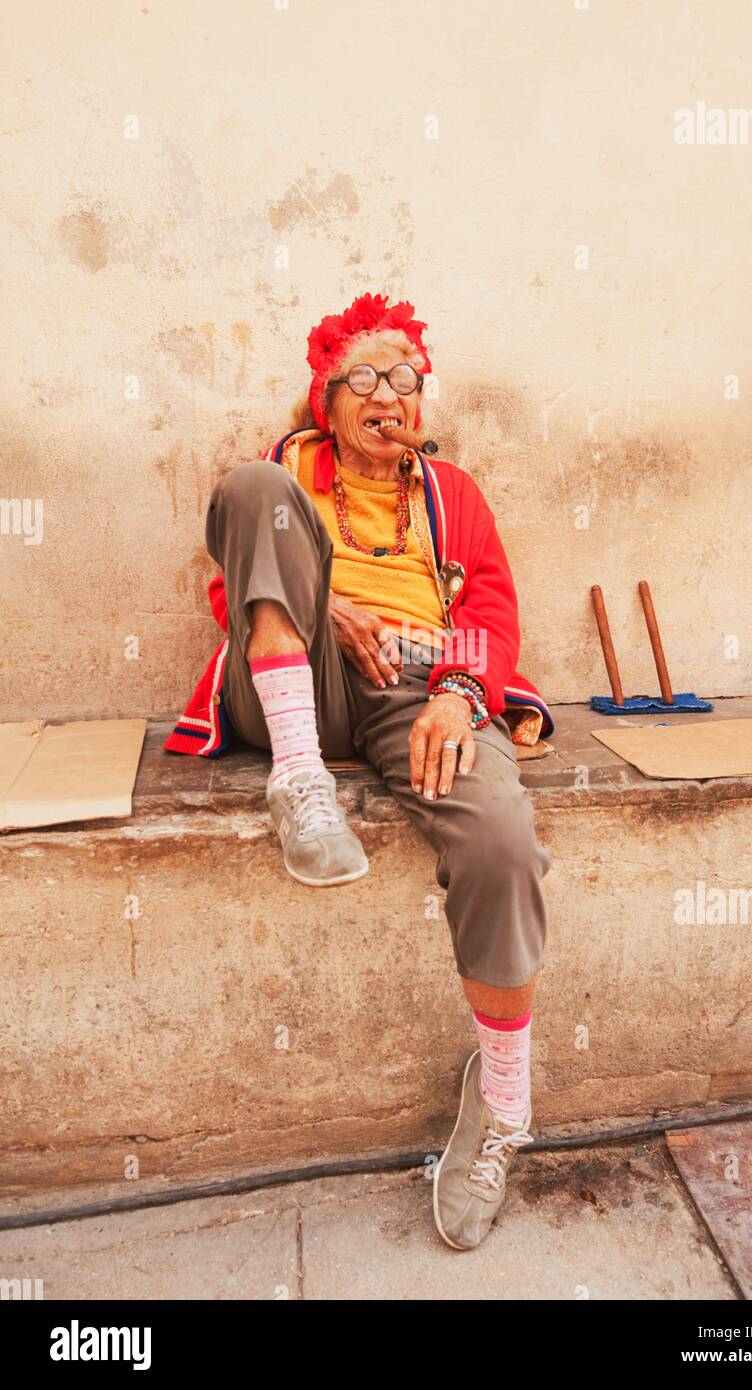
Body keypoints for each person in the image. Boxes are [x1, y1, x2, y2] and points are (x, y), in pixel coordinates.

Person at [164, 292, 555, 1250]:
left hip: (424, 682)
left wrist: (461, 691)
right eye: (366, 379)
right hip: (296, 670)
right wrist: (328, 606)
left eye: (406, 380)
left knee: (503, 842)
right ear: (326, 399)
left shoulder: (452, 492)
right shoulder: (292, 471)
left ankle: (503, 1101)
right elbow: (233, 586)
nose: (390, 397)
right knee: (250, 488)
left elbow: (493, 613)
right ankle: (298, 778)